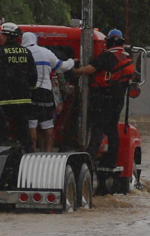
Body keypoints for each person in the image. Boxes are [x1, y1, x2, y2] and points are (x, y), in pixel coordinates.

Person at [22, 30, 85, 152]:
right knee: (48, 124)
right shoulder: (46, 52)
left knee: (32, 125)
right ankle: (49, 152)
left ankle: (32, 151)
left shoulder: (22, 53)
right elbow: (62, 67)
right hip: (45, 93)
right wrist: (72, 61)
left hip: (28, 93)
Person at [88, 29, 136, 165]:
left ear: (108, 42)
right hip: (117, 101)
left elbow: (90, 70)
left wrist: (73, 71)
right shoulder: (125, 56)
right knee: (112, 130)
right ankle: (111, 160)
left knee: (98, 128)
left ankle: (90, 156)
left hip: (103, 99)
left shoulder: (107, 57)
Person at [0, 21, 37, 148]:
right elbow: (33, 77)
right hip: (23, 99)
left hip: (3, 100)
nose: (1, 38)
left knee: (2, 129)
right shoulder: (26, 52)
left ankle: (1, 154)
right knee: (22, 129)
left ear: (9, 37)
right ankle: (27, 156)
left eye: (3, 36)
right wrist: (30, 90)